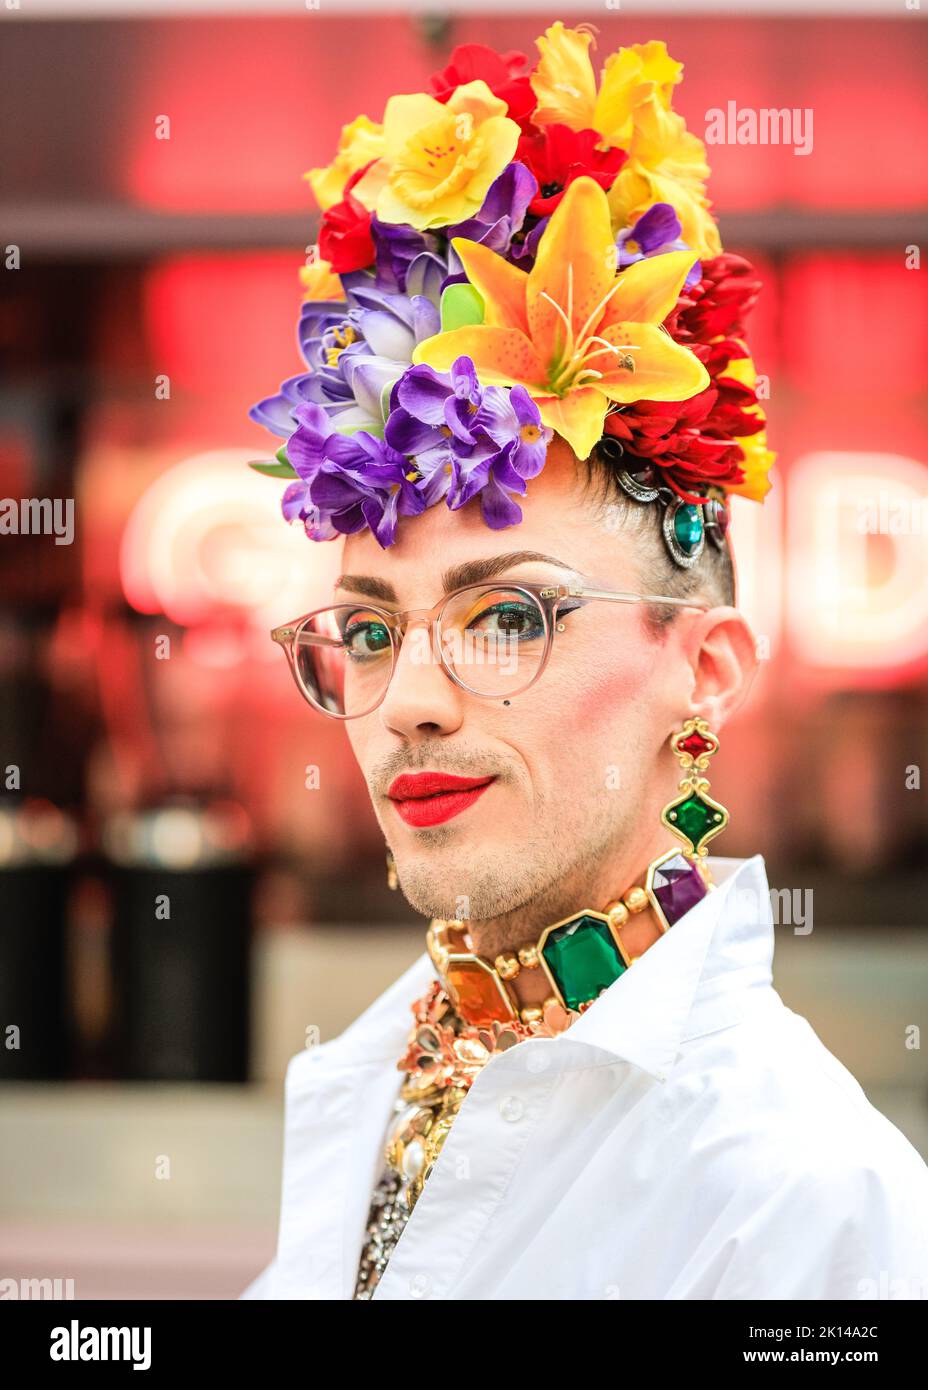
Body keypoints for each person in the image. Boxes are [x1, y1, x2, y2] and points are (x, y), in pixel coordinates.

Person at [240, 24, 928, 1300]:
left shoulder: (799, 1199)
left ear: (706, 670)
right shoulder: (378, 1065)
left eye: (508, 617)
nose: (410, 708)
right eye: (372, 631)